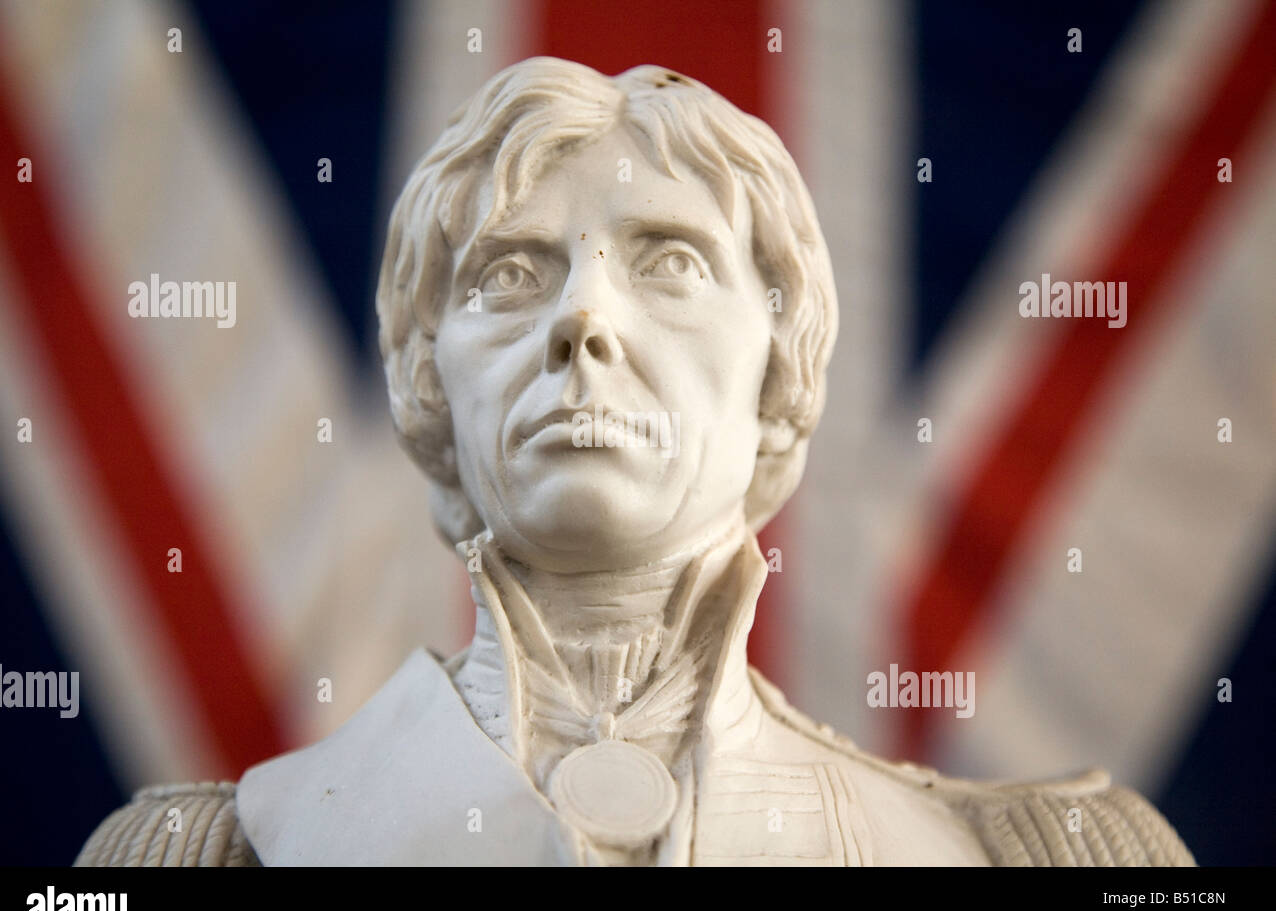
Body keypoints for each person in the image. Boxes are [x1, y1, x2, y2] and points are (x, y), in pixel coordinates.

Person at [77, 57, 1193, 866]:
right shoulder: (188, 860)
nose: (584, 320)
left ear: (778, 370)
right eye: (511, 273)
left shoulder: (1068, 865)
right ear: (428, 377)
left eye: (667, 261)